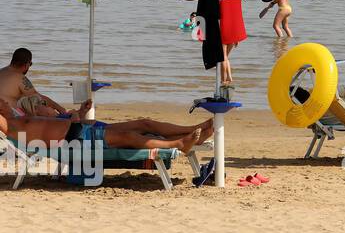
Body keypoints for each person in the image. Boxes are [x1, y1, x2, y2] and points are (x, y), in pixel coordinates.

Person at [0, 95, 213, 154]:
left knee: (143, 124)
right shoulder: (12, 126)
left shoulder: (19, 118)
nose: (4, 102)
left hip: (81, 130)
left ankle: (193, 132)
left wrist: (79, 114)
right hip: (73, 140)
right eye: (1, 103)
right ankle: (178, 144)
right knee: (128, 138)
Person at [0, 48, 68, 117]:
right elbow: (38, 97)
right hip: (8, 115)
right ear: (27, 64)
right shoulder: (20, 78)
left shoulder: (1, 71)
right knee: (39, 106)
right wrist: (59, 108)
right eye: (31, 64)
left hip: (3, 113)